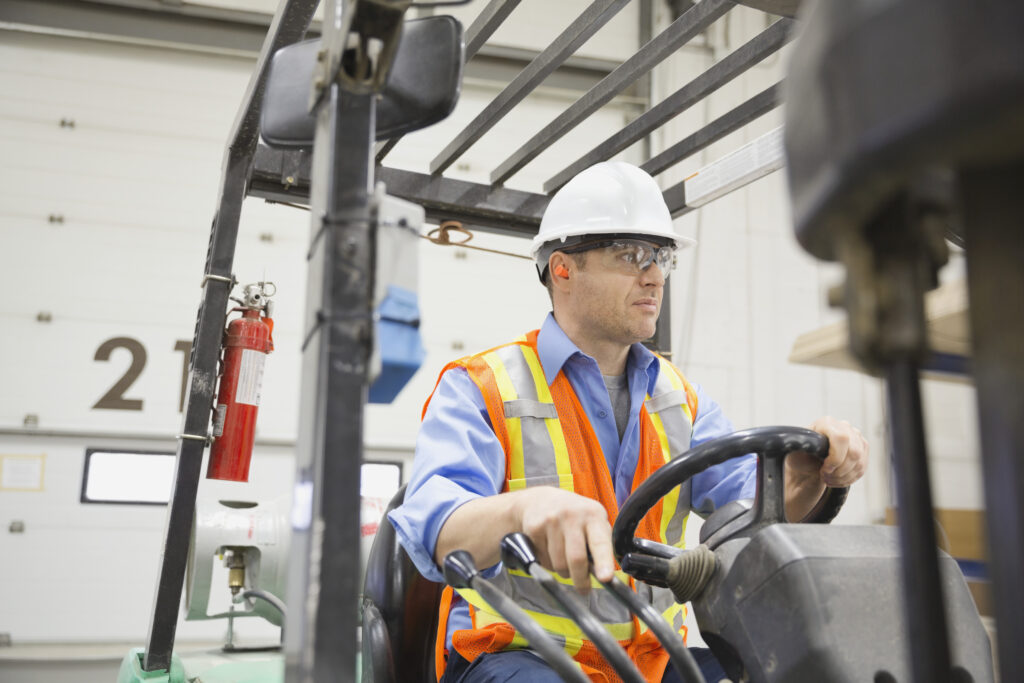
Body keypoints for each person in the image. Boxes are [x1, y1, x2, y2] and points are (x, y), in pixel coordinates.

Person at [388, 161, 869, 683]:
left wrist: (804, 478)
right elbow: (438, 531)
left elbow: (750, 524)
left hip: (652, 662)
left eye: (661, 257)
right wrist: (524, 510)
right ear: (563, 269)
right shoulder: (480, 386)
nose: (656, 275)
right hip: (519, 655)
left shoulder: (682, 399)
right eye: (632, 254)